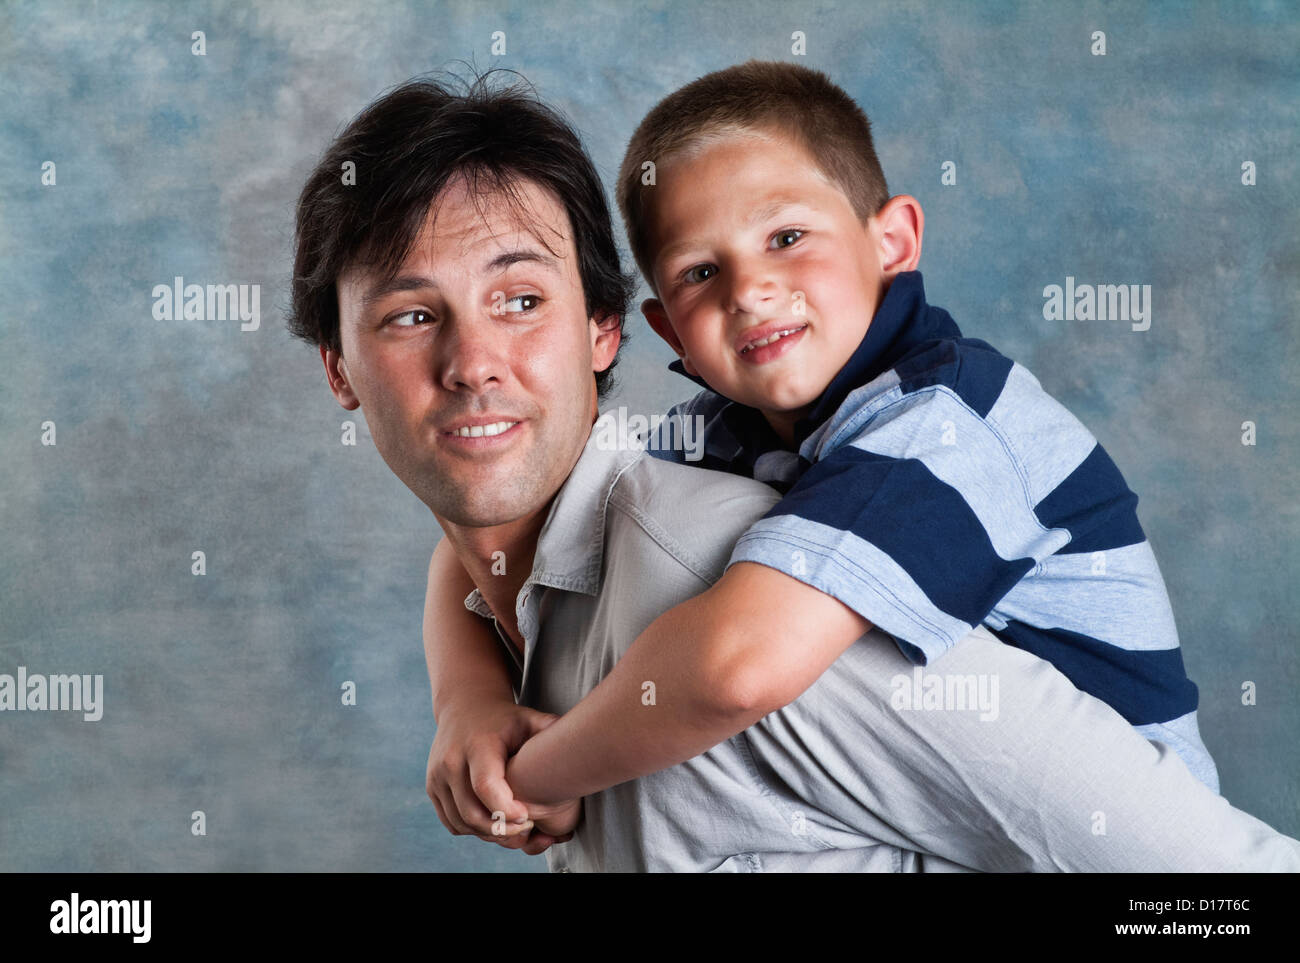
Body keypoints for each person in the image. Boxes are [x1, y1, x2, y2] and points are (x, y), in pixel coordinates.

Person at [290, 74, 1300, 871]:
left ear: (601, 333)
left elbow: (736, 670)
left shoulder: (902, 460)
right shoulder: (715, 451)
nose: (472, 364)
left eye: (518, 300)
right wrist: (465, 702)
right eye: (411, 315)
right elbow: (468, 561)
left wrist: (533, 770)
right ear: (339, 368)